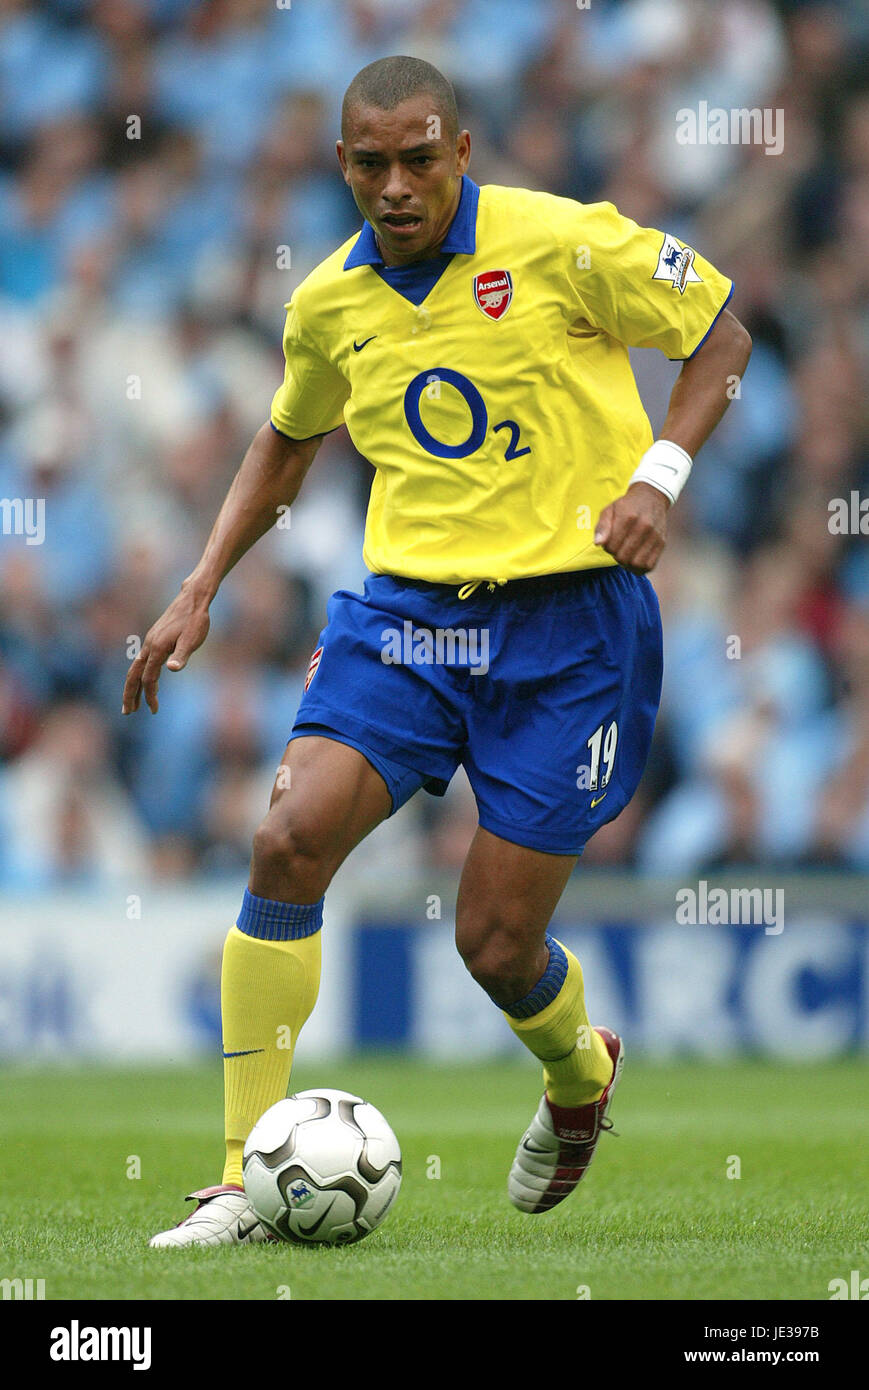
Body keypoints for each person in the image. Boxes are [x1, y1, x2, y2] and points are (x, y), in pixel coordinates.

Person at [124, 56, 751, 1246]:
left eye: (420, 158)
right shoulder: (328, 303)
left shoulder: (563, 242)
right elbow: (285, 439)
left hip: (569, 627)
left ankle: (578, 1070)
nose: (397, 184)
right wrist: (198, 584)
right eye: (371, 163)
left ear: (460, 151)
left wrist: (655, 479)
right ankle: (237, 1180)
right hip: (409, 617)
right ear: (343, 166)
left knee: (492, 944)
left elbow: (720, 334)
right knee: (285, 835)